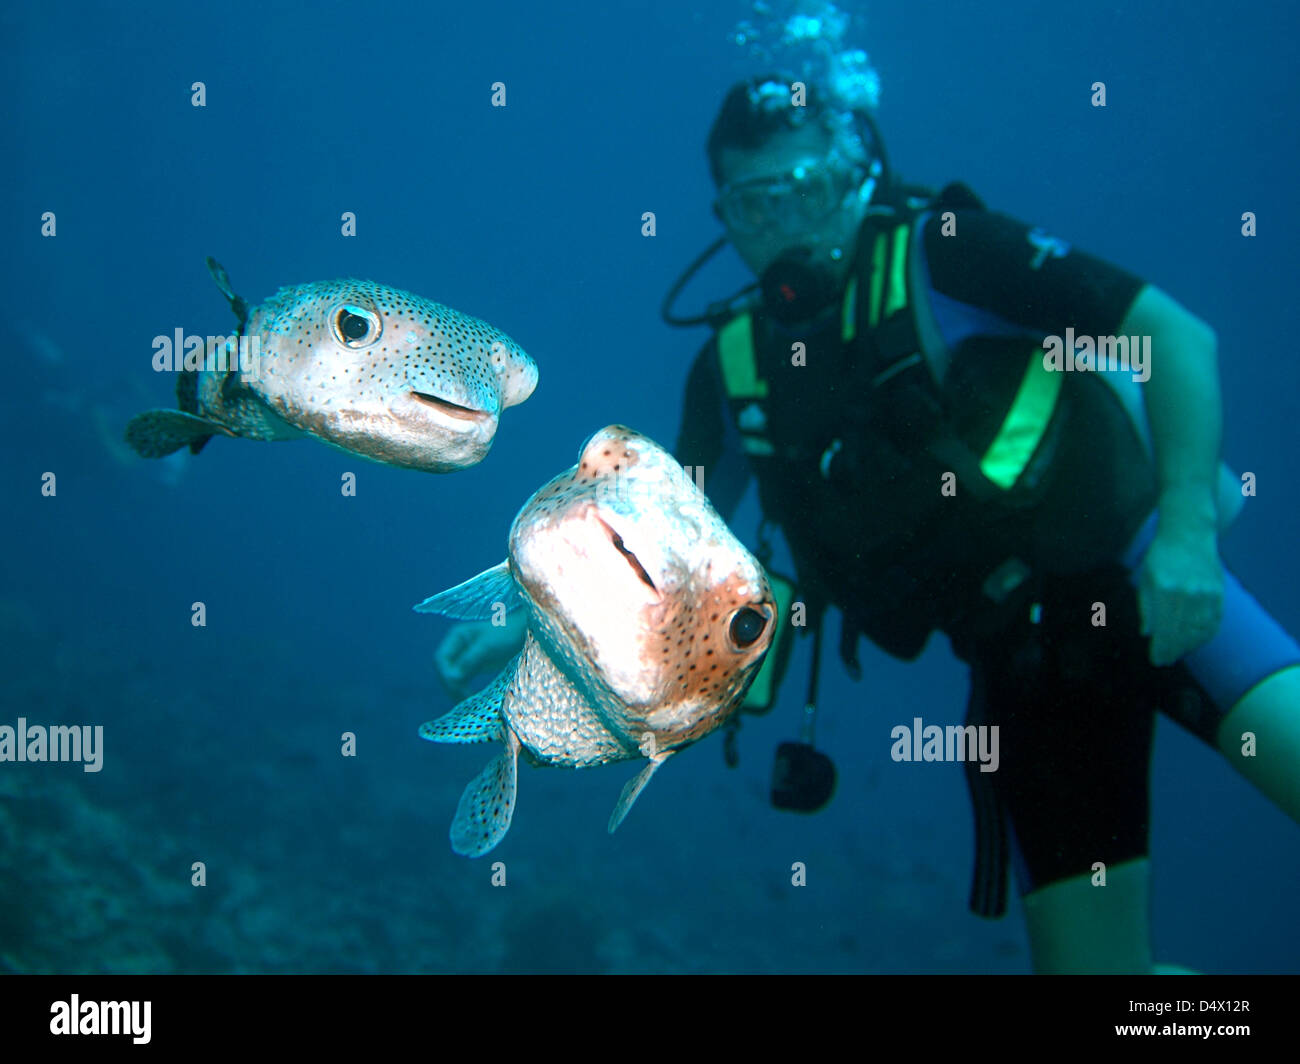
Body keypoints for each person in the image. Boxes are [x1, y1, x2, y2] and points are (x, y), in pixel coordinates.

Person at [436, 75, 1300, 973]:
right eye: (751, 203)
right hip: (1025, 670)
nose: (783, 227)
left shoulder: (951, 256)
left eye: (802, 190)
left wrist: (1191, 536)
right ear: (722, 214)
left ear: (857, 175)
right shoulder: (732, 371)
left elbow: (1174, 336)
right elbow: (652, 548)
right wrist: (516, 622)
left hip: (1153, 584)